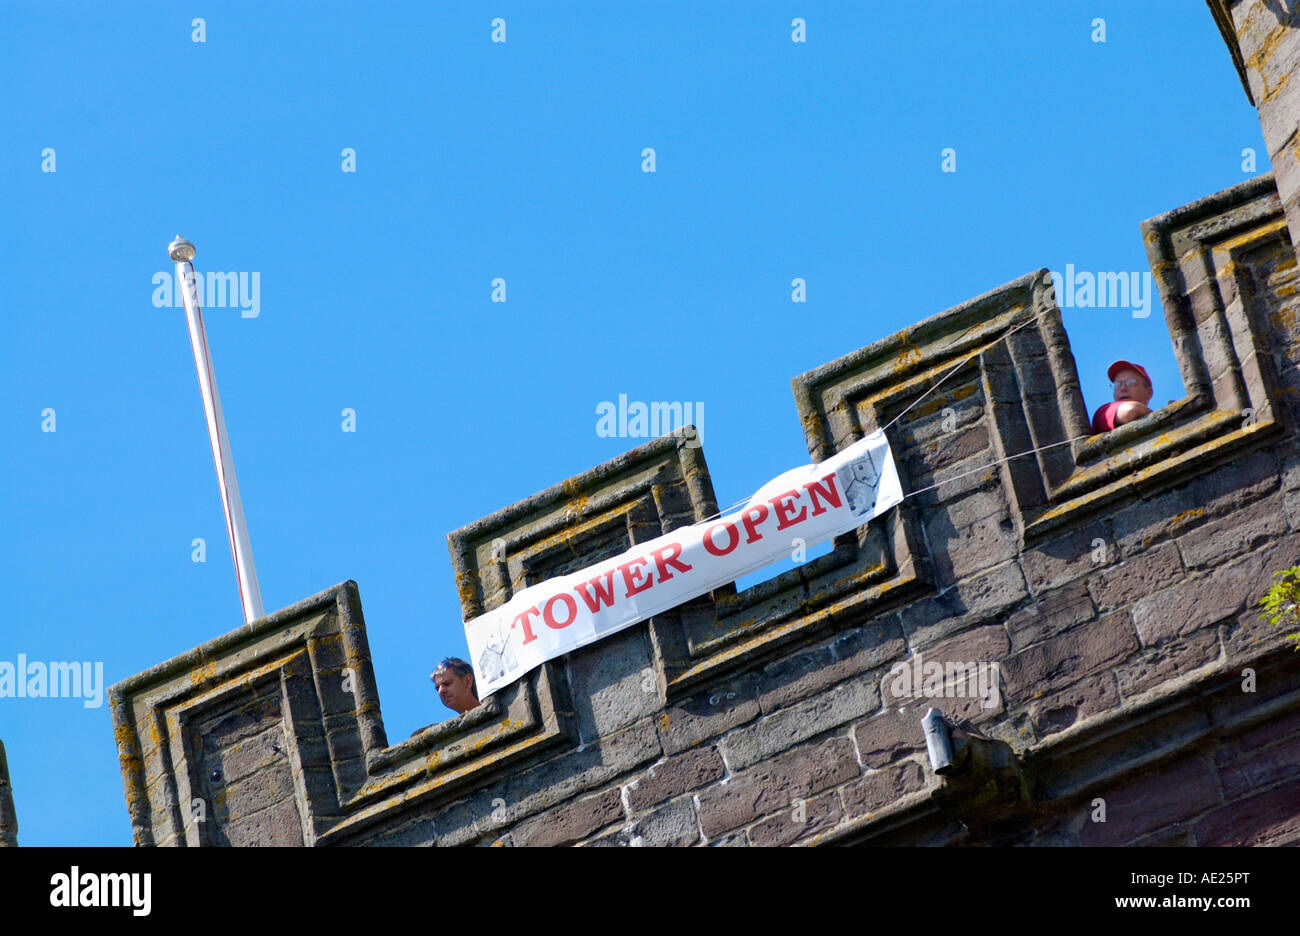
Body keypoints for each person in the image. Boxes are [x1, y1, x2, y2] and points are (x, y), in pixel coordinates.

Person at [1091, 360, 1153, 434]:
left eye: (1130, 383)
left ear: (1149, 392)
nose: (1123, 388)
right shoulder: (1105, 411)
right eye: (1117, 384)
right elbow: (1130, 410)